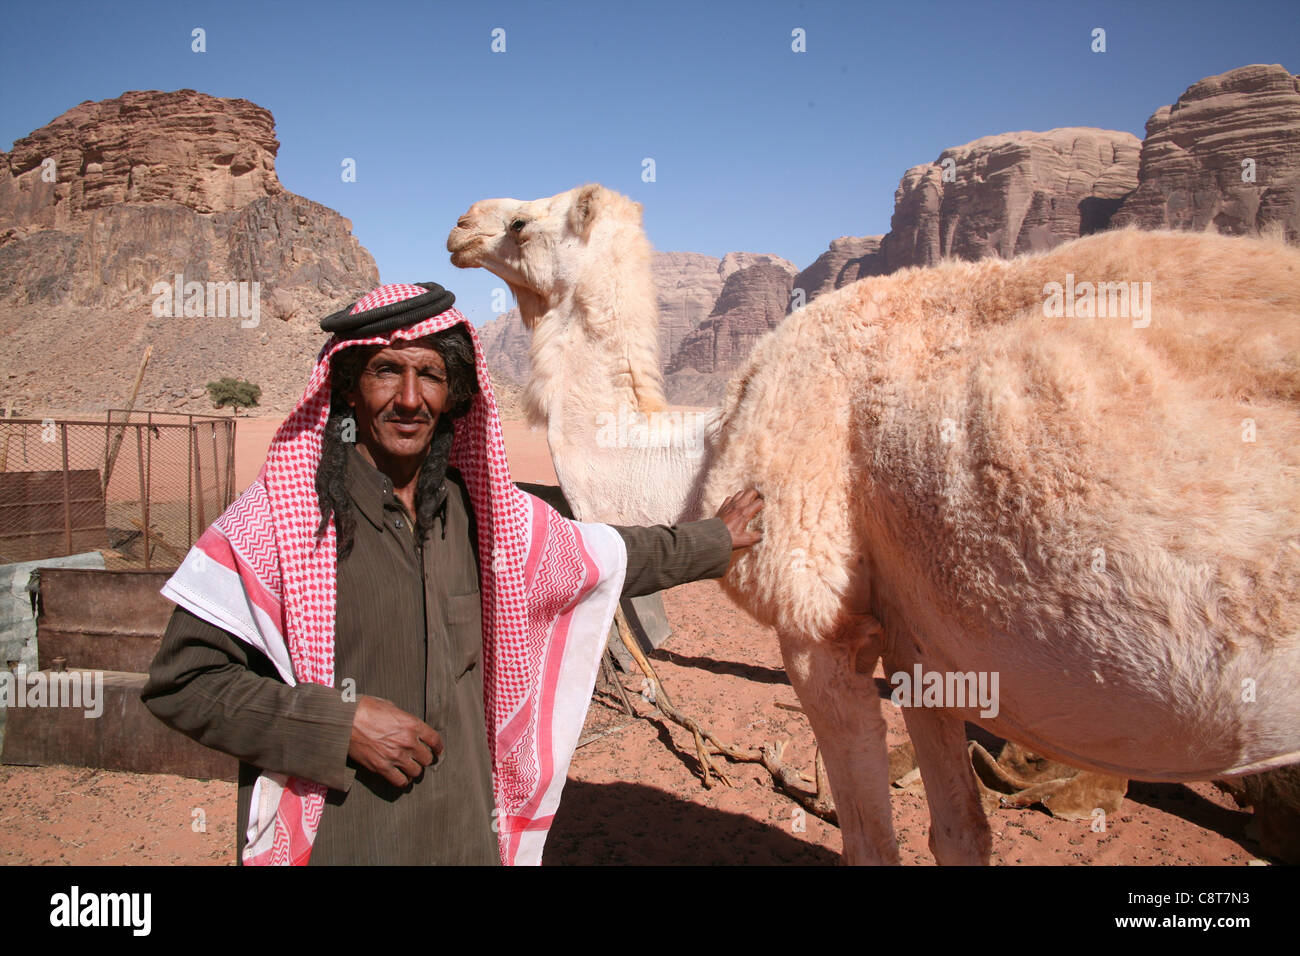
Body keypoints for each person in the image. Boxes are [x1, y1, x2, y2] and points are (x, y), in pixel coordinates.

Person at [141, 281, 763, 866]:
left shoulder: (482, 519)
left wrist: (717, 538)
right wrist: (337, 723)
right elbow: (184, 683)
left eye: (430, 375)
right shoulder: (277, 521)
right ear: (350, 387)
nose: (409, 399)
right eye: (388, 370)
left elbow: (611, 554)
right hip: (346, 843)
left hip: (468, 839)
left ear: (454, 394)